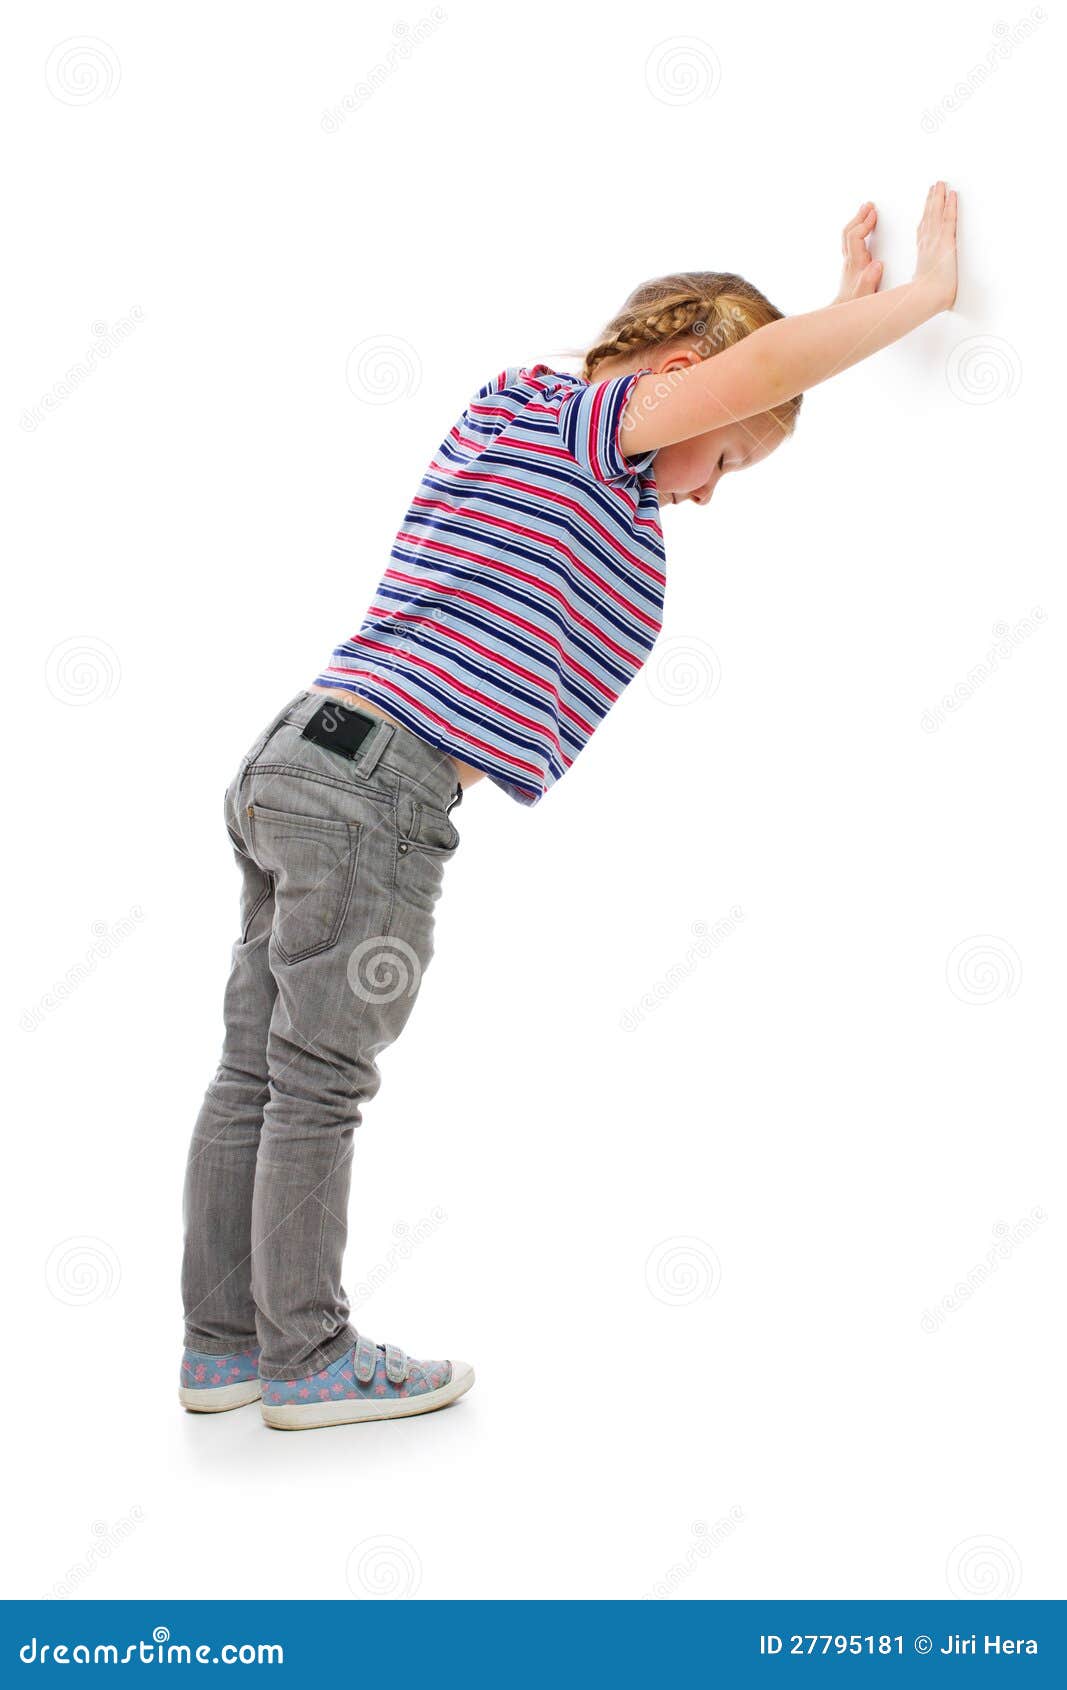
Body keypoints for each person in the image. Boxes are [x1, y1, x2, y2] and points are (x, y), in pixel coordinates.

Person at [181, 185, 959, 1431]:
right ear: (681, 373)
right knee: (318, 1078)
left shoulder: (526, 421)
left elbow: (757, 371)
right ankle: (308, 1357)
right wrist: (919, 300)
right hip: (378, 791)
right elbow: (750, 371)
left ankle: (224, 1349)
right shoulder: (587, 424)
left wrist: (827, 319)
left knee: (256, 1071)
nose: (707, 493)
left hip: (299, 757)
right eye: (729, 456)